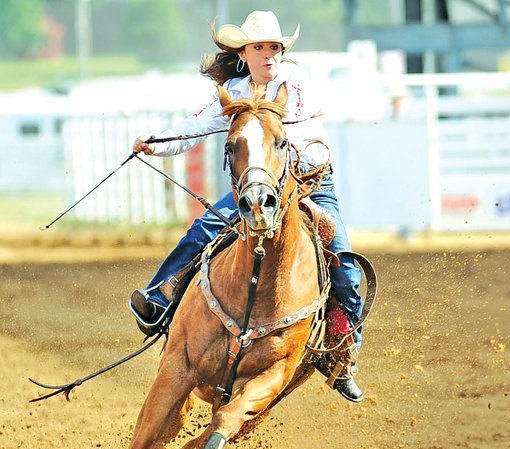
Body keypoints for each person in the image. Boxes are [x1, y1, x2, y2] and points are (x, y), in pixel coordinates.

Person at [129, 10, 364, 402]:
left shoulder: (297, 83)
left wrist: (253, 116)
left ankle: (342, 351)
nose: (269, 55)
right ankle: (159, 297)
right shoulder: (233, 92)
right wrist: (154, 143)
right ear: (244, 53)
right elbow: (193, 128)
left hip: (310, 186)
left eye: (275, 47)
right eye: (260, 48)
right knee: (203, 229)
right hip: (255, 189)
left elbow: (295, 114)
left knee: (344, 263)